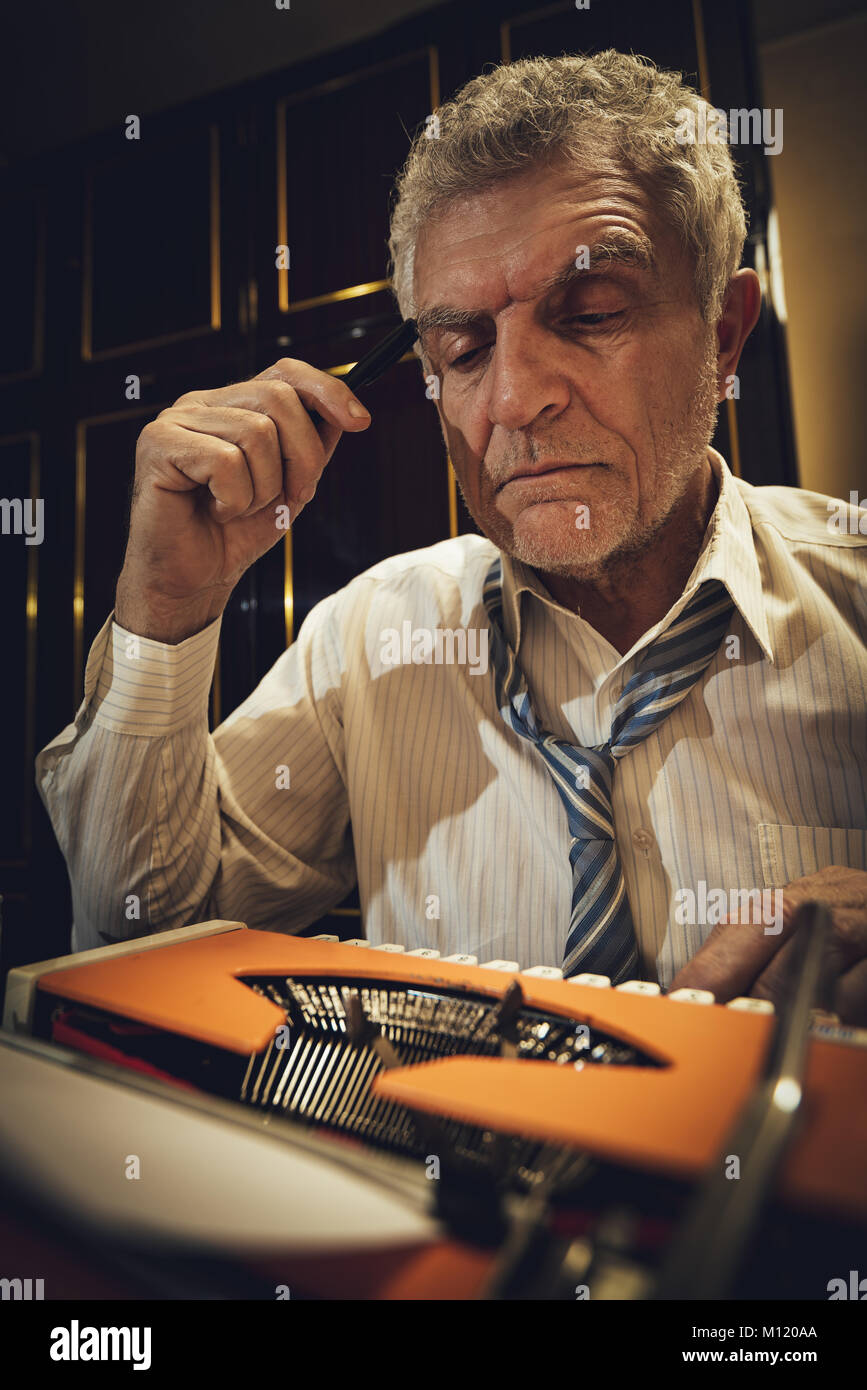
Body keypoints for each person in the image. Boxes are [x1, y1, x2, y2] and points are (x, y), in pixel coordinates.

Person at [37, 51, 866, 1019]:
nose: (513, 399)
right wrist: (165, 613)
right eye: (463, 350)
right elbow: (136, 943)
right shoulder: (368, 639)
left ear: (723, 333)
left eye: (592, 314)